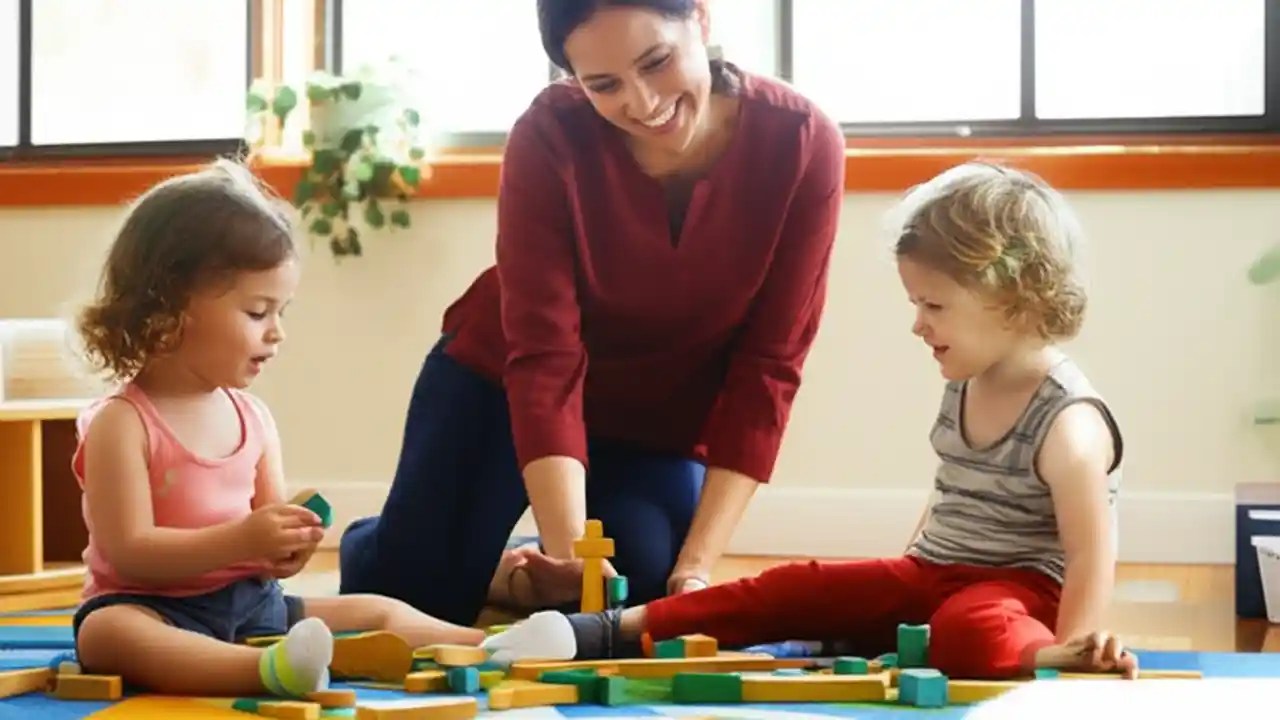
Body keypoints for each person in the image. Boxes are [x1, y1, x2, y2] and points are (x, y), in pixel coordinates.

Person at [484, 162, 1138, 681]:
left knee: (967, 631)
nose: (918, 323)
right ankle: (603, 630)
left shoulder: (1069, 423)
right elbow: (953, 498)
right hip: (937, 574)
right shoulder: (968, 377)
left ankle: (1026, 654)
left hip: (1016, 599)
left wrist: (1075, 649)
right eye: (916, 302)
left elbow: (1089, 553)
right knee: (795, 585)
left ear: (1011, 296)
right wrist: (906, 576)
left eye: (933, 304)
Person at [338, 0, 845, 626]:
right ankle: (389, 541)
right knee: (419, 594)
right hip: (498, 382)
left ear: (702, 21)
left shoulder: (803, 141)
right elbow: (544, 357)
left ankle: (497, 570)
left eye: (656, 62)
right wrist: (570, 551)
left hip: (651, 420)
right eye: (603, 85)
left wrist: (696, 571)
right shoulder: (548, 135)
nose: (643, 102)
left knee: (637, 589)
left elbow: (770, 365)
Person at [68, 159, 488, 698]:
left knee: (378, 608)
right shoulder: (121, 424)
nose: (277, 333)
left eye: (280, 310)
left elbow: (270, 557)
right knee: (107, 635)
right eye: (257, 312)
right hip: (151, 608)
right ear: (168, 307)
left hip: (251, 605)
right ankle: (265, 671)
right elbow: (129, 552)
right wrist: (241, 539)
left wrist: (285, 548)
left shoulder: (254, 419)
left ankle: (488, 644)